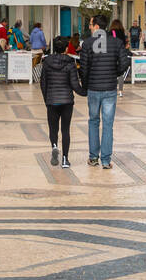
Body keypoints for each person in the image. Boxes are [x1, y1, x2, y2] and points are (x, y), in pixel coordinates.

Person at [79, 15, 131, 169]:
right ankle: (106, 161)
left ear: (96, 26)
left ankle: (93, 157)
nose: (89, 27)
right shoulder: (116, 43)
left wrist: (86, 84)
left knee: (93, 122)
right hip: (109, 88)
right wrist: (114, 73)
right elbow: (125, 63)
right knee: (108, 124)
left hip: (94, 89)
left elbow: (84, 68)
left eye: (90, 24)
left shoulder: (87, 44)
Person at [40, 35, 86, 169]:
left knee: (53, 128)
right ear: (66, 48)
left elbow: (43, 83)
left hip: (52, 101)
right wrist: (85, 92)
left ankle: (54, 145)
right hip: (67, 101)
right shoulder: (70, 62)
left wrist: (47, 99)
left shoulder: (47, 62)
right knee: (65, 130)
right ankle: (65, 159)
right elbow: (75, 84)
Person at [109, 18, 130, 97]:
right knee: (120, 74)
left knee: (112, 71)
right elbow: (125, 44)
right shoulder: (122, 33)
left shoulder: (111, 32)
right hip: (121, 54)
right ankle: (120, 91)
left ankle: (113, 88)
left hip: (113, 54)